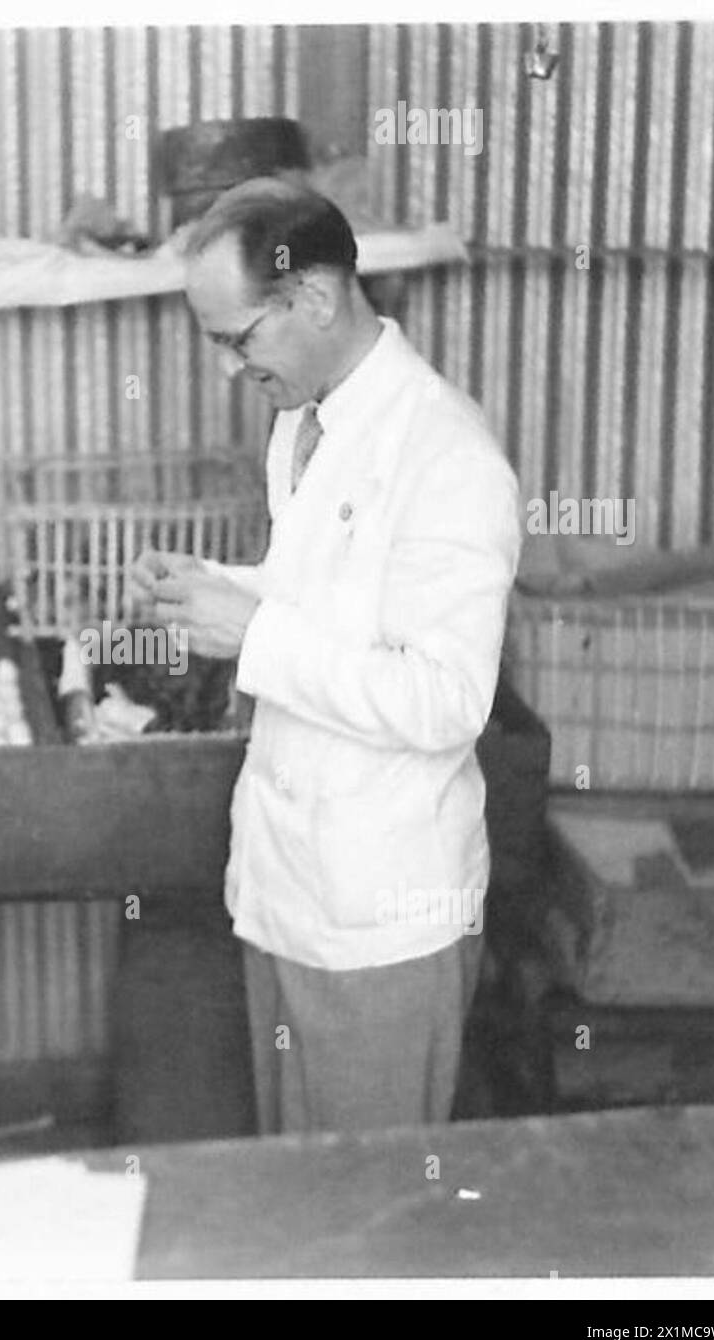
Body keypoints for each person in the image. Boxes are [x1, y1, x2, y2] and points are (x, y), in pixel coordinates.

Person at [132, 178, 521, 1136]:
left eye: (238, 340)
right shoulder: (301, 425)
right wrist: (214, 589)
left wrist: (251, 634)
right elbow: (328, 602)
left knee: (369, 1218)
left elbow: (445, 700)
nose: (229, 368)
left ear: (312, 297)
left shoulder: (446, 455)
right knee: (299, 1196)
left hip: (382, 914)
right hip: (286, 891)